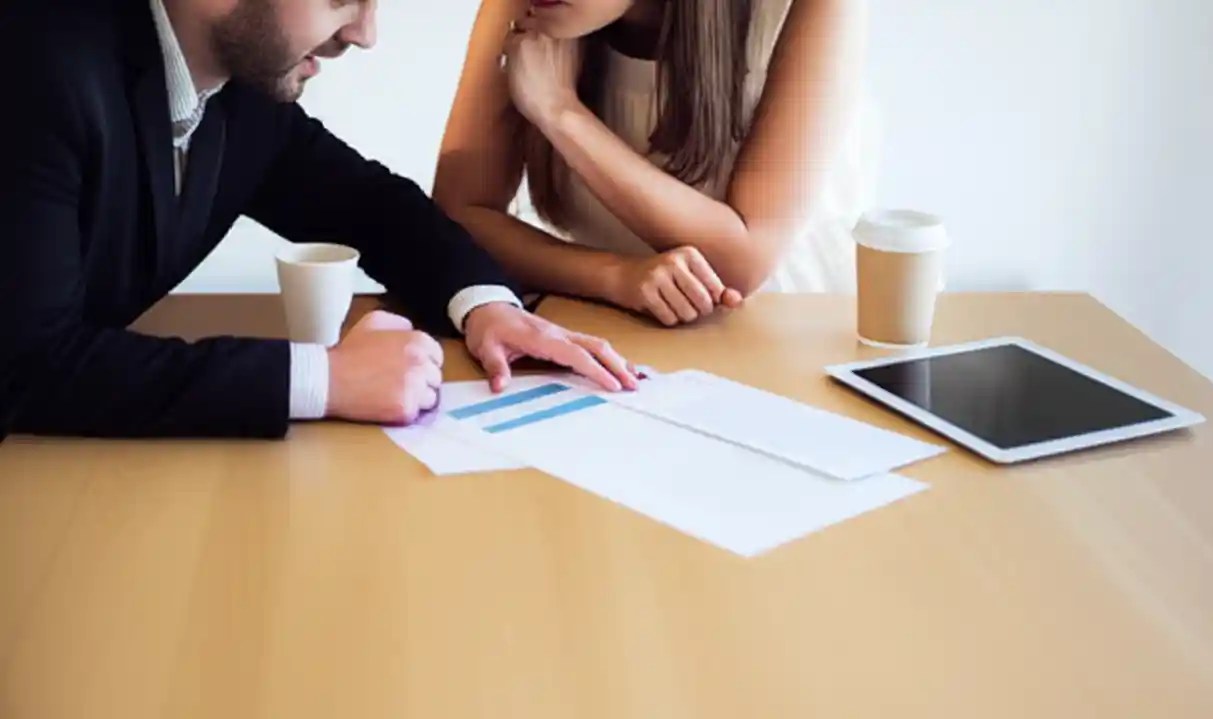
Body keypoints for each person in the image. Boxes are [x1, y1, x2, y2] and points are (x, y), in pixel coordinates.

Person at [0, 0, 638, 441]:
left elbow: (373, 206)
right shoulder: (36, 65)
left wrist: (488, 309)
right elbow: (28, 365)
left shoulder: (237, 96)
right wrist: (322, 379)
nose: (364, 33)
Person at [435, 0, 866, 327]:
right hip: (613, 339)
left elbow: (741, 264)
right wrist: (615, 277)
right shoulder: (532, 6)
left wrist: (558, 110)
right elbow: (457, 217)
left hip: (785, 346)